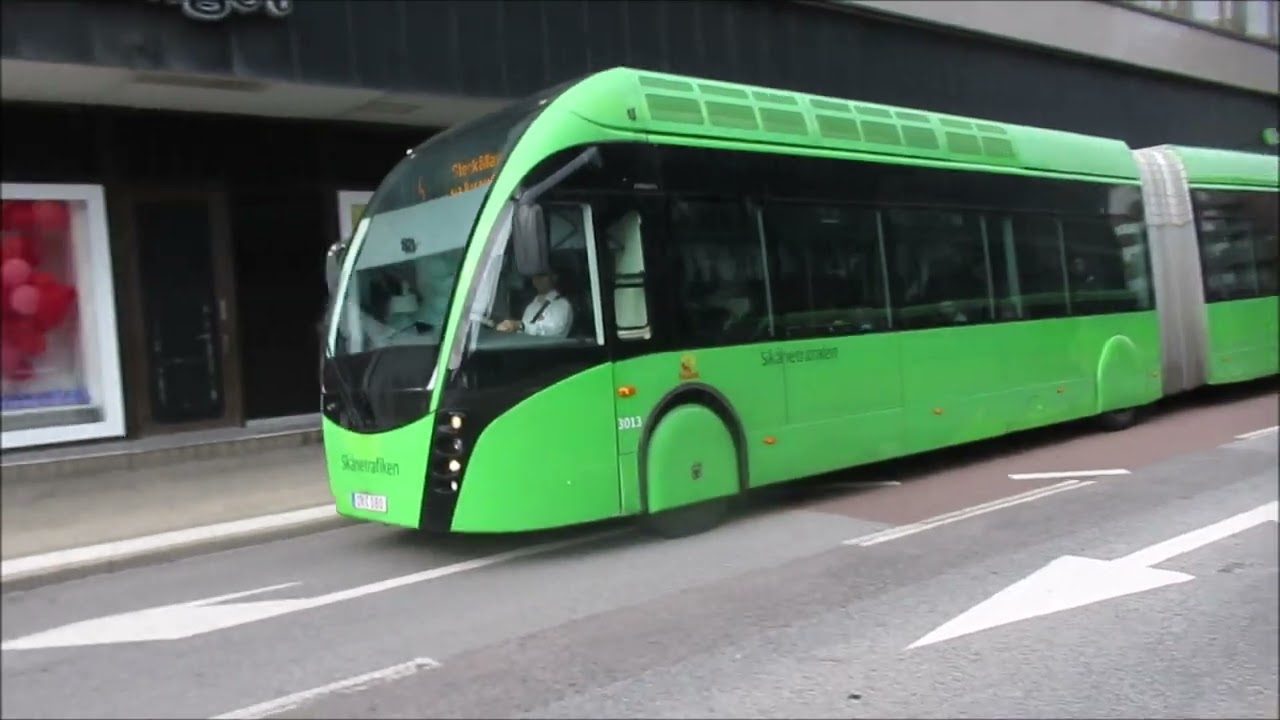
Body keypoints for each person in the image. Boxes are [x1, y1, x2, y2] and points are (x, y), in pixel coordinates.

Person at [494, 270, 573, 338]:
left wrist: (520, 326)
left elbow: (553, 330)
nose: (537, 279)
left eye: (542, 275)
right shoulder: (531, 307)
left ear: (554, 277)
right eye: (535, 275)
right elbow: (522, 334)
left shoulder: (562, 305)